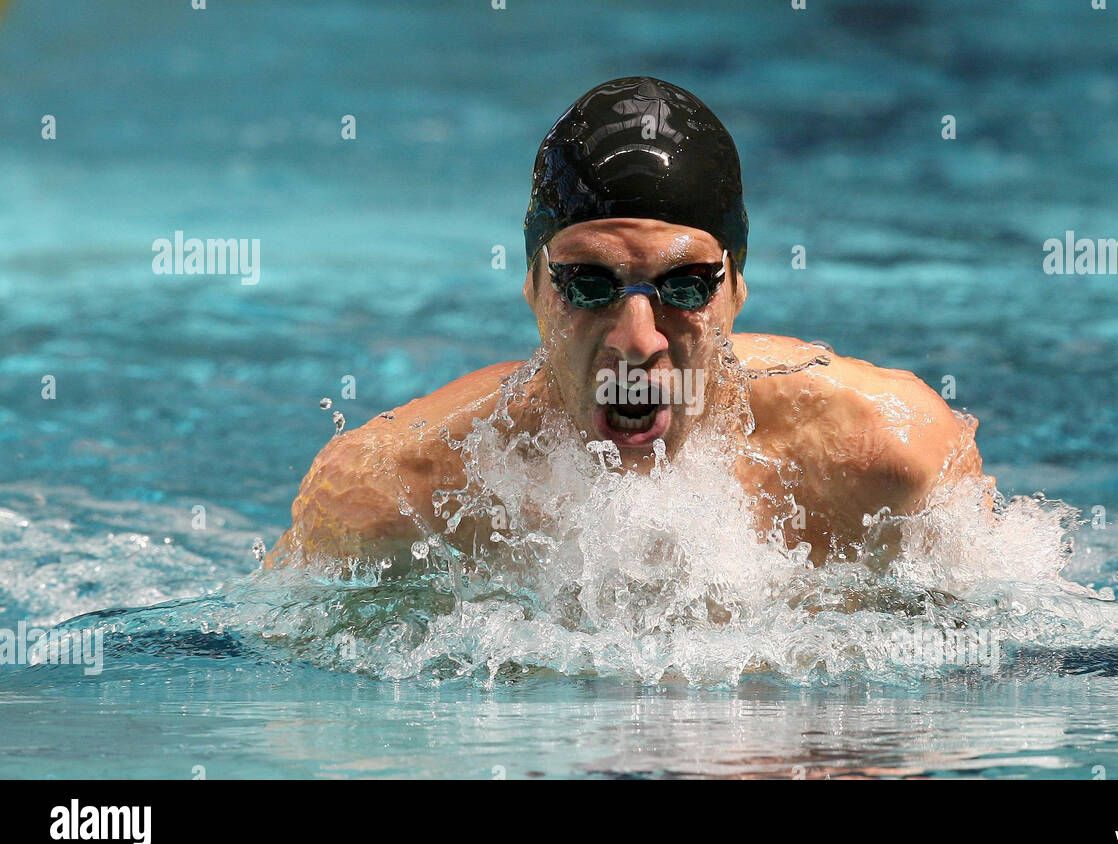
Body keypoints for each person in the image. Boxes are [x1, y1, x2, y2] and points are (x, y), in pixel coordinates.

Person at [268, 76, 990, 574]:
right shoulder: (392, 495)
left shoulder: (889, 458)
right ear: (531, 287)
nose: (638, 339)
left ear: (737, 288)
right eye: (589, 283)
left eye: (685, 285)